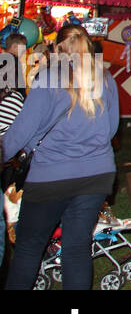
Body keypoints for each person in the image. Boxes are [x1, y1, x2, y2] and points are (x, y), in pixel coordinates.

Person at [1, 26, 118, 291]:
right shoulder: (105, 78)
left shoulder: (48, 78)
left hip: (51, 177)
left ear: (56, 50)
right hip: (96, 175)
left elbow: (22, 130)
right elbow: (110, 130)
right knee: (77, 249)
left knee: (29, 247)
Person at [0, 31, 28, 134]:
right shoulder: (14, 63)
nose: (24, 52)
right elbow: (21, 89)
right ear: (15, 46)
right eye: (23, 48)